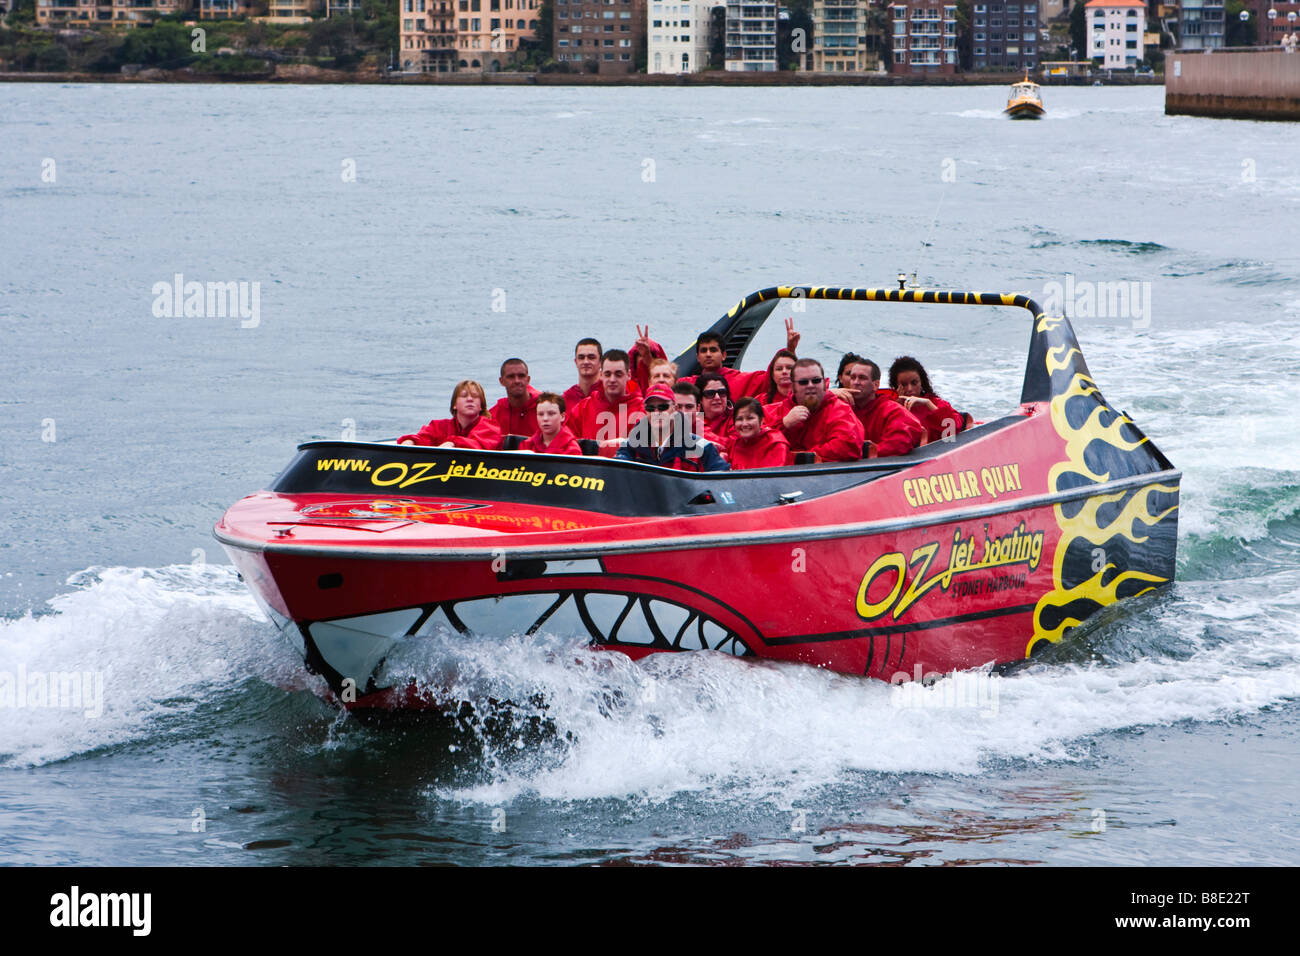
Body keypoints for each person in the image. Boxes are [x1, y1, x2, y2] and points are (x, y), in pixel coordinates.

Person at [678, 317, 801, 399]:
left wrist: (790, 350)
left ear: (724, 355)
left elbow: (773, 377)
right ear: (698, 357)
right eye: (704, 351)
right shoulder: (687, 384)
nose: (708, 354)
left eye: (713, 350)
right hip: (698, 434)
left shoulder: (741, 380)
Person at [616, 384, 729, 472]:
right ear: (645, 411)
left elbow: (722, 481)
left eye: (663, 407)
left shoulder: (703, 448)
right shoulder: (629, 446)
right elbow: (617, 476)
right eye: (651, 408)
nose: (656, 412)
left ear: (675, 409)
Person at [772, 358, 864, 462]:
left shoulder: (840, 410)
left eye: (816, 380)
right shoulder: (777, 411)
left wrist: (800, 458)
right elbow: (757, 445)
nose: (810, 385)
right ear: (793, 387)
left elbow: (847, 447)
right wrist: (783, 425)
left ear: (824, 384)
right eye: (803, 382)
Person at [565, 348, 645, 456]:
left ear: (629, 375)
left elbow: (644, 452)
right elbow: (566, 442)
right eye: (608, 374)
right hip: (587, 470)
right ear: (601, 375)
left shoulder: (641, 409)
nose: (612, 379)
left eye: (618, 374)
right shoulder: (584, 407)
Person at [846, 360, 924, 458]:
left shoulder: (892, 409)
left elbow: (900, 441)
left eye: (862, 378)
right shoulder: (842, 407)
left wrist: (865, 453)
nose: (856, 382)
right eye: (853, 378)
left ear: (876, 385)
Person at [398, 380, 502, 448]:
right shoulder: (438, 426)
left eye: (475, 396)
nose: (470, 399)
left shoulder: (491, 428)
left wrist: (453, 442)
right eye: (464, 396)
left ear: (481, 406)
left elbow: (477, 445)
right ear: (454, 405)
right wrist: (410, 441)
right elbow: (424, 438)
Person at [888, 355, 965, 445]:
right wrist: (900, 409)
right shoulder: (889, 409)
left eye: (914, 383)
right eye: (904, 384)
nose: (909, 389)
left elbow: (953, 430)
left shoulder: (937, 403)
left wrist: (928, 404)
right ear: (896, 386)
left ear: (922, 382)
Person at [727, 397, 790, 470]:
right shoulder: (734, 444)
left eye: (750, 418)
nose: (744, 424)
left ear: (761, 420)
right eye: (739, 419)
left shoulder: (776, 444)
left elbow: (775, 477)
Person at [488, 358, 541, 438]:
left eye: (521, 376)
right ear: (501, 381)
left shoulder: (546, 410)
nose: (517, 381)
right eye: (511, 377)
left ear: (528, 379)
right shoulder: (493, 416)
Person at [696, 372, 736, 446]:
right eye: (710, 393)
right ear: (700, 399)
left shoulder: (738, 419)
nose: (717, 397)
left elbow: (733, 446)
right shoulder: (689, 420)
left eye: (722, 392)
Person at [563, 338, 603, 410]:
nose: (586, 362)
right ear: (576, 362)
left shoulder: (609, 394)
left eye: (591, 357)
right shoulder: (567, 398)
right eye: (581, 357)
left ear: (600, 362)